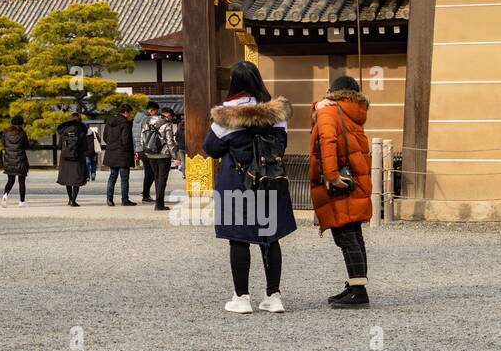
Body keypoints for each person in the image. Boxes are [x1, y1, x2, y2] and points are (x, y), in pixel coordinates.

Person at [202, 61, 296, 314]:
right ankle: (273, 297)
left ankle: (242, 298)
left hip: (236, 181)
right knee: (270, 238)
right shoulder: (276, 113)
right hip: (270, 180)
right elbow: (281, 146)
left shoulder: (226, 115)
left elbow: (210, 149)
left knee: (239, 239)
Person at [309, 75, 374, 308]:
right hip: (356, 179)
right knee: (354, 234)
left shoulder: (330, 111)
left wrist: (332, 175)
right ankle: (356, 284)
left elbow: (328, 140)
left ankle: (358, 293)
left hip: (340, 183)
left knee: (345, 236)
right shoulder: (355, 111)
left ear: (332, 92)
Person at [144, 105, 180, 210]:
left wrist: (145, 151)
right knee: (162, 179)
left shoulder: (148, 121)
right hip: (163, 155)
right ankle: (159, 204)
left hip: (150, 154)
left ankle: (158, 202)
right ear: (170, 116)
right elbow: (170, 142)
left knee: (156, 177)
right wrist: (175, 157)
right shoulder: (167, 124)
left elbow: (143, 137)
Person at [102, 103, 137, 206]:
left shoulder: (109, 121)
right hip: (123, 154)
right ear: (126, 112)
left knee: (112, 176)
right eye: (130, 113)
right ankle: (124, 200)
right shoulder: (125, 123)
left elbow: (105, 138)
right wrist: (130, 152)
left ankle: (109, 199)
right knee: (124, 178)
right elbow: (126, 140)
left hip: (111, 153)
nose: (130, 115)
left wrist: (112, 144)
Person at [55, 112, 89, 206]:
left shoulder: (63, 132)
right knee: (76, 179)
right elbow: (85, 147)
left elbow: (59, 146)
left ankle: (69, 199)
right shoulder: (81, 131)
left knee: (68, 179)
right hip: (78, 158)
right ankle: (74, 200)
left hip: (65, 158)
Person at [133, 102, 163, 202]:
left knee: (148, 172)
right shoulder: (146, 118)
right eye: (155, 111)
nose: (156, 114)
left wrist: (136, 149)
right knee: (153, 172)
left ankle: (146, 194)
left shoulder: (137, 118)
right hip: (147, 148)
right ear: (151, 110)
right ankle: (148, 195)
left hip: (140, 149)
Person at [1, 114, 32, 206]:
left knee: (10, 180)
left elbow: (4, 144)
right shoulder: (22, 134)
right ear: (21, 124)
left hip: (9, 160)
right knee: (21, 181)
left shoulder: (5, 133)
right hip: (20, 160)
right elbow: (27, 146)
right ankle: (22, 202)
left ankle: (5, 196)